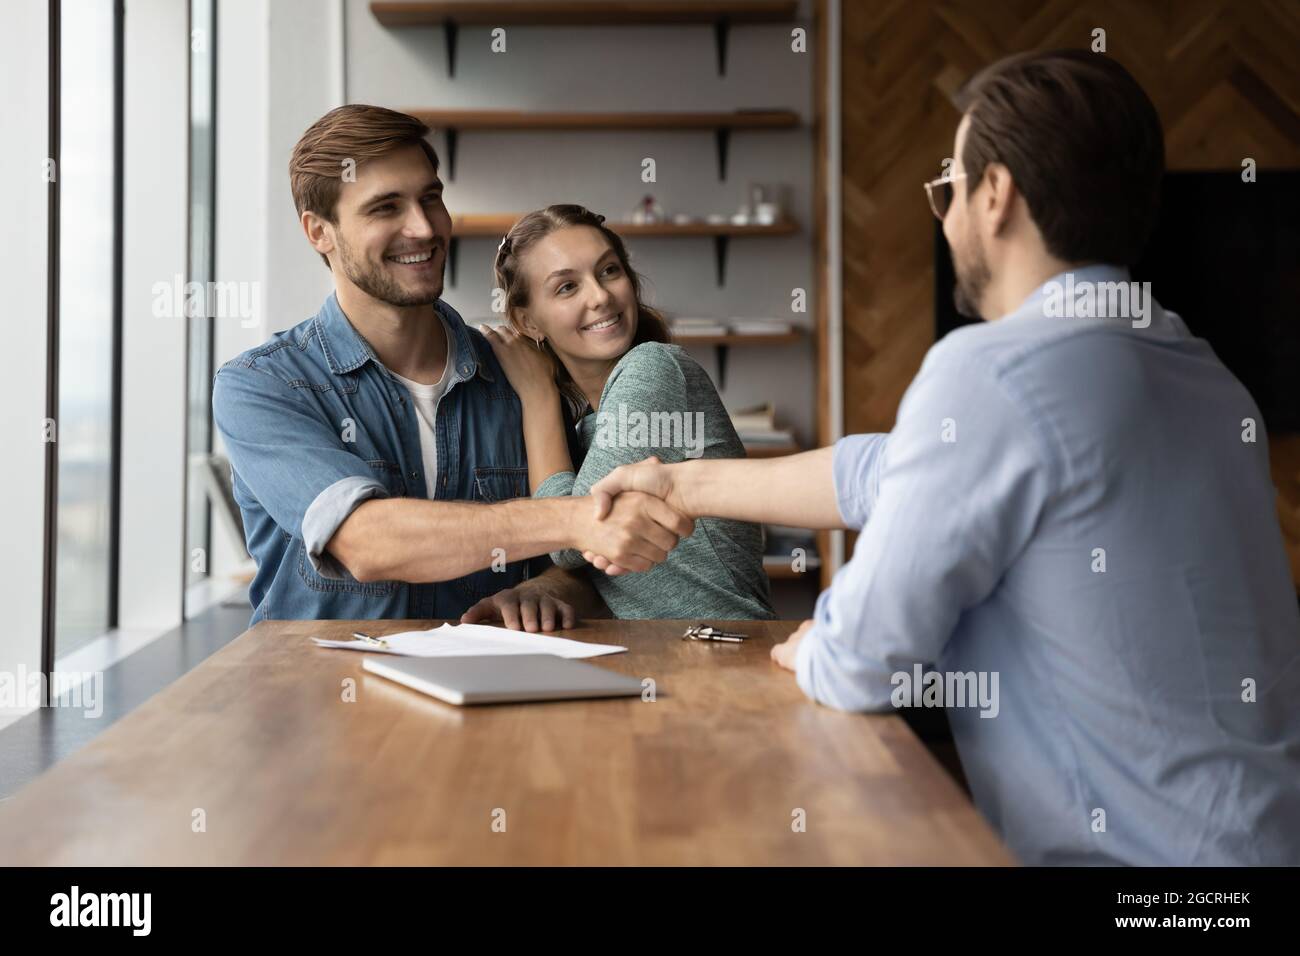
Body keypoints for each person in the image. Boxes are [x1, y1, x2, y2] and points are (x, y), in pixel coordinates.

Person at [585, 50, 1300, 865]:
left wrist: (815, 641)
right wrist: (681, 482)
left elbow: (862, 663)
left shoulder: (995, 369)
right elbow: (887, 471)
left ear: (994, 194)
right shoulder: (1202, 376)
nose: (946, 215)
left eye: (948, 188)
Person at [212, 105, 693, 632]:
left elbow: (595, 565)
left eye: (431, 198)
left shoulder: (526, 372)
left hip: (492, 699)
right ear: (319, 232)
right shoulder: (262, 386)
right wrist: (579, 521)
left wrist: (550, 586)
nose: (422, 228)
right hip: (325, 699)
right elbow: (368, 541)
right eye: (385, 208)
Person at [480, 205, 774, 620]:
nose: (600, 296)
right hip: (659, 658)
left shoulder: (654, 367)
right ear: (527, 322)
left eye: (609, 271)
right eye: (567, 287)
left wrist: (537, 394)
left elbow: (570, 536)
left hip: (730, 656)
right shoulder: (583, 425)